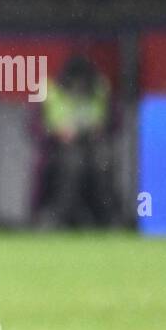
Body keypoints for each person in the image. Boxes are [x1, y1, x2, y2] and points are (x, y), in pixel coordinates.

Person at [36, 56, 116, 227]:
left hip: (93, 145)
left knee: (103, 162)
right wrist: (57, 131)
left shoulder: (100, 87)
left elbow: (112, 120)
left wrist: (100, 129)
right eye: (75, 84)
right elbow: (36, 125)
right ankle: (61, 216)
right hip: (59, 147)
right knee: (72, 165)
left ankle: (106, 217)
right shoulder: (51, 89)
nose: (79, 88)